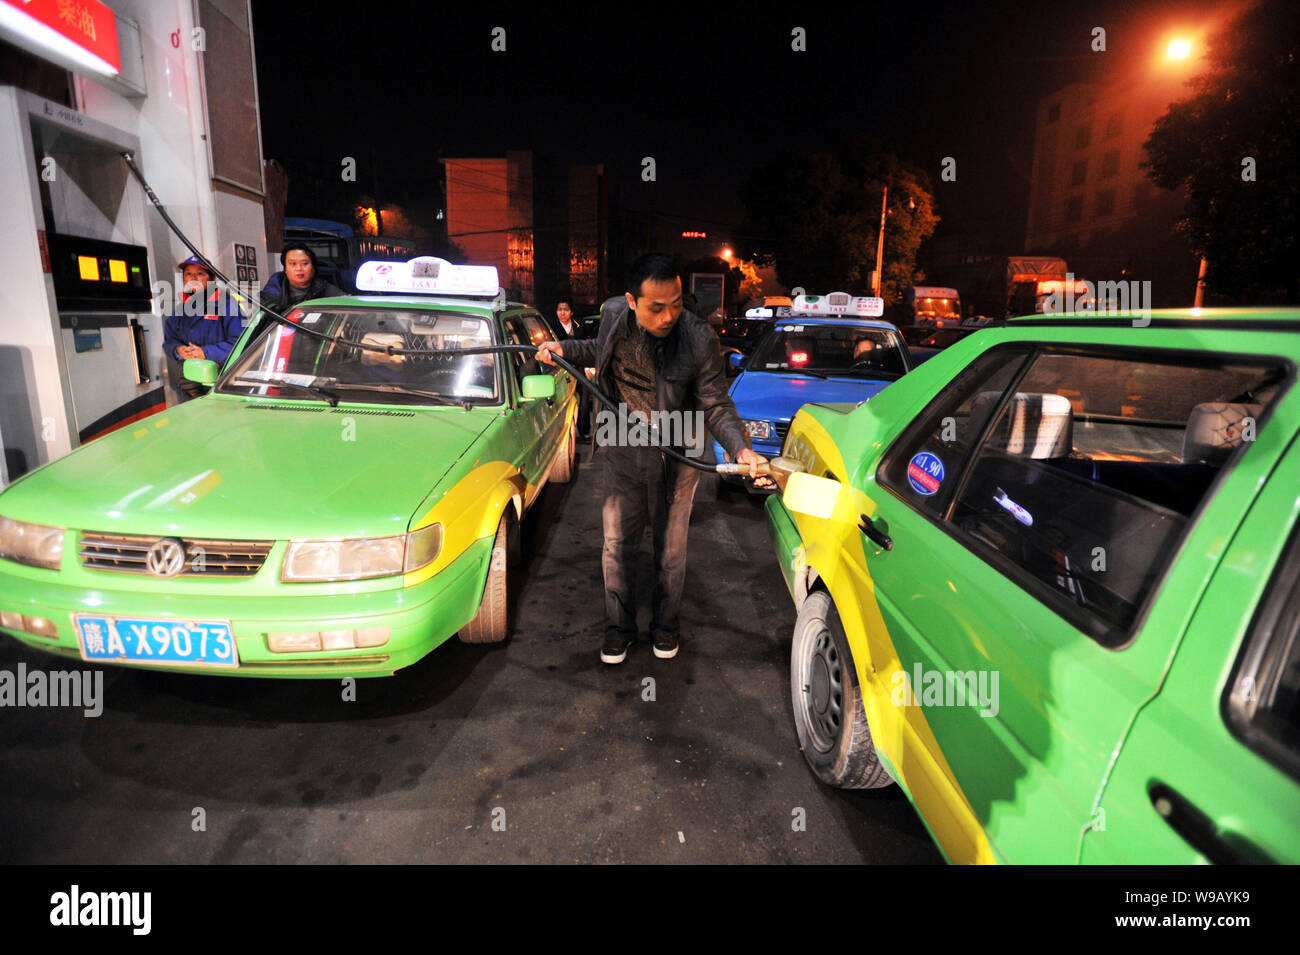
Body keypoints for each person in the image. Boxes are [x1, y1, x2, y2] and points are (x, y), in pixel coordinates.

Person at [536, 253, 770, 665]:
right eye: (656, 308)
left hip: (676, 459)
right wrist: (563, 348)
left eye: (676, 304)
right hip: (622, 450)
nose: (668, 317)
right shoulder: (612, 314)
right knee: (617, 546)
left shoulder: (698, 337)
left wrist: (741, 448)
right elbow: (597, 349)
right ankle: (618, 629)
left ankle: (666, 626)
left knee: (669, 551)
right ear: (631, 301)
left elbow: (716, 402)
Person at [163, 255, 245, 403]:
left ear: (212, 279)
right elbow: (169, 341)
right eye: (188, 273)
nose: (193, 278)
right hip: (189, 383)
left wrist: (205, 353)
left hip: (222, 384)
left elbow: (241, 343)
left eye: (200, 273)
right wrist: (178, 350)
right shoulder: (180, 309)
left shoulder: (227, 305)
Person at [247, 242, 343, 341]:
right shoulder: (269, 298)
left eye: (305, 263)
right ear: (285, 269)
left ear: (313, 268)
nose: (299, 268)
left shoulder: (328, 292)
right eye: (293, 264)